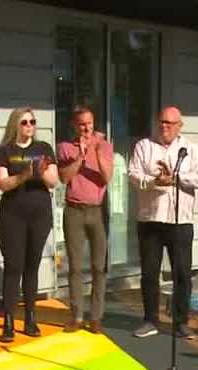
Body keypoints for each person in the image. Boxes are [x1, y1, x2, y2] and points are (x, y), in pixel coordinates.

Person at [128, 106, 198, 339]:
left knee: (182, 273)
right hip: (150, 219)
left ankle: (181, 321)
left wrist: (176, 178)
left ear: (179, 126)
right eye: (162, 122)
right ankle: (150, 319)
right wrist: (155, 181)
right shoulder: (144, 146)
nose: (165, 127)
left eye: (170, 123)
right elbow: (133, 174)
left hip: (180, 221)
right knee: (150, 273)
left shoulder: (190, 149)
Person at [0, 107, 60, 343]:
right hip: (12, 215)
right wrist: (23, 175)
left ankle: (30, 318)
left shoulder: (43, 149)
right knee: (14, 266)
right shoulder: (4, 151)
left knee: (32, 265)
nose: (29, 125)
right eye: (24, 122)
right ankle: (8, 320)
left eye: (32, 121)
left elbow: (53, 181)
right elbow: (2, 183)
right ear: (15, 125)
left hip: (39, 214)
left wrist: (40, 172)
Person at [57, 106, 113, 335]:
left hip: (97, 210)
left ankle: (96, 317)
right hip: (74, 210)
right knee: (76, 266)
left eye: (89, 123)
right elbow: (64, 177)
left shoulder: (104, 145)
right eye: (82, 124)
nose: (86, 128)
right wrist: (80, 156)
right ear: (75, 125)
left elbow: (107, 177)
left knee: (99, 266)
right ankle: (77, 315)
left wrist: (96, 152)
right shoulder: (64, 147)